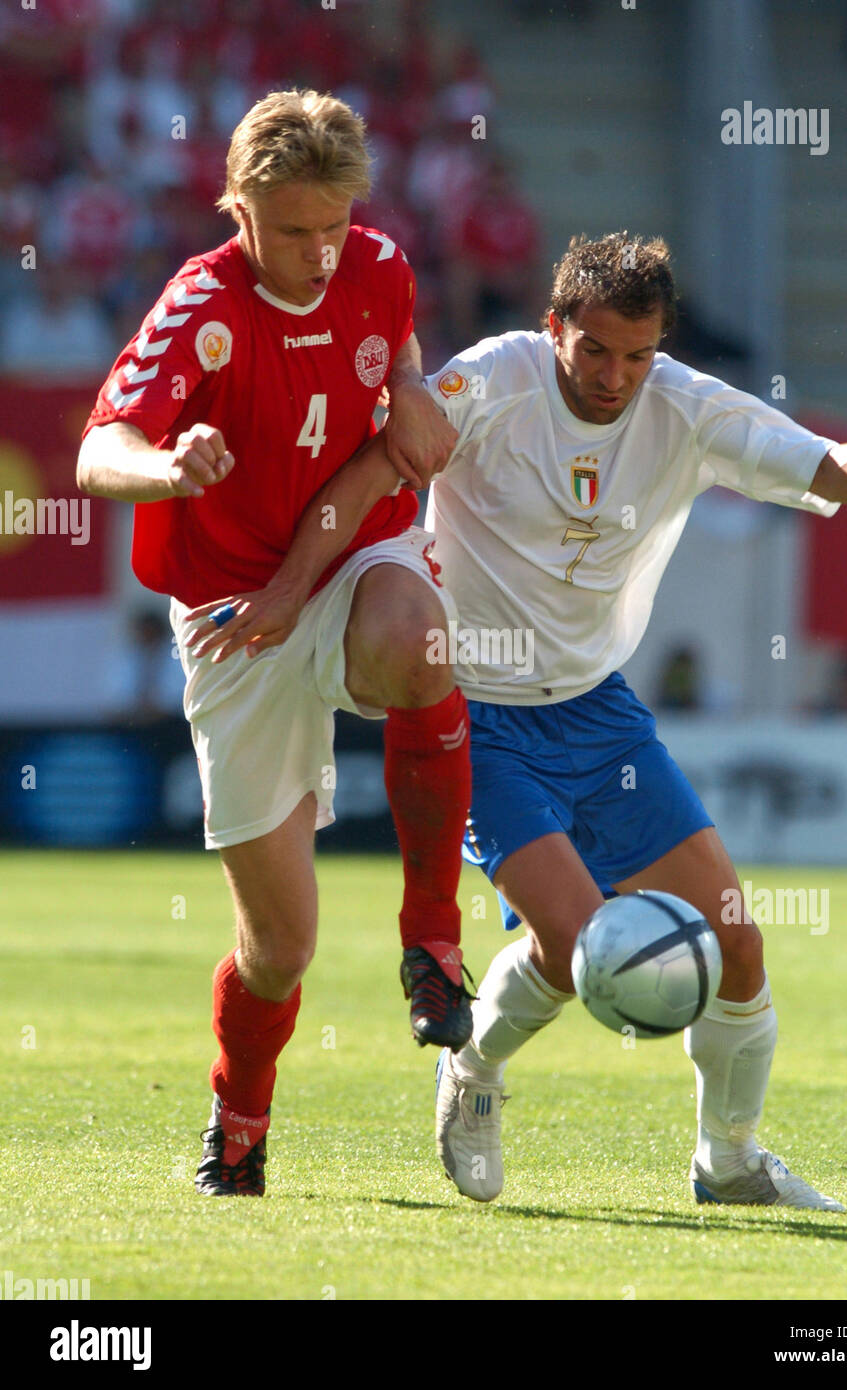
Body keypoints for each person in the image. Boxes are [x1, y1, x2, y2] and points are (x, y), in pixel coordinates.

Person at [191, 231, 847, 1210]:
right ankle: (472, 1073)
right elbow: (383, 468)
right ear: (553, 327)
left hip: (601, 714)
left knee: (736, 942)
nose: (613, 375)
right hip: (480, 714)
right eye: (593, 350)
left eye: (636, 355)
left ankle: (728, 1160)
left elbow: (821, 470)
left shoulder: (682, 404)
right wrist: (294, 587)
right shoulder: (492, 382)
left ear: (659, 345)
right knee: (581, 947)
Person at [76, 90, 476, 1199]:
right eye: (291, 230)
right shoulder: (199, 303)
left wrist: (402, 380)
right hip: (229, 615)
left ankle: (432, 941)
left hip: (349, 559)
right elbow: (100, 449)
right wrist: (169, 466)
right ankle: (239, 1119)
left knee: (422, 649)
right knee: (279, 949)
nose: (315, 253)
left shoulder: (378, 264)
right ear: (238, 209)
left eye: (331, 227)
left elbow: (386, 421)